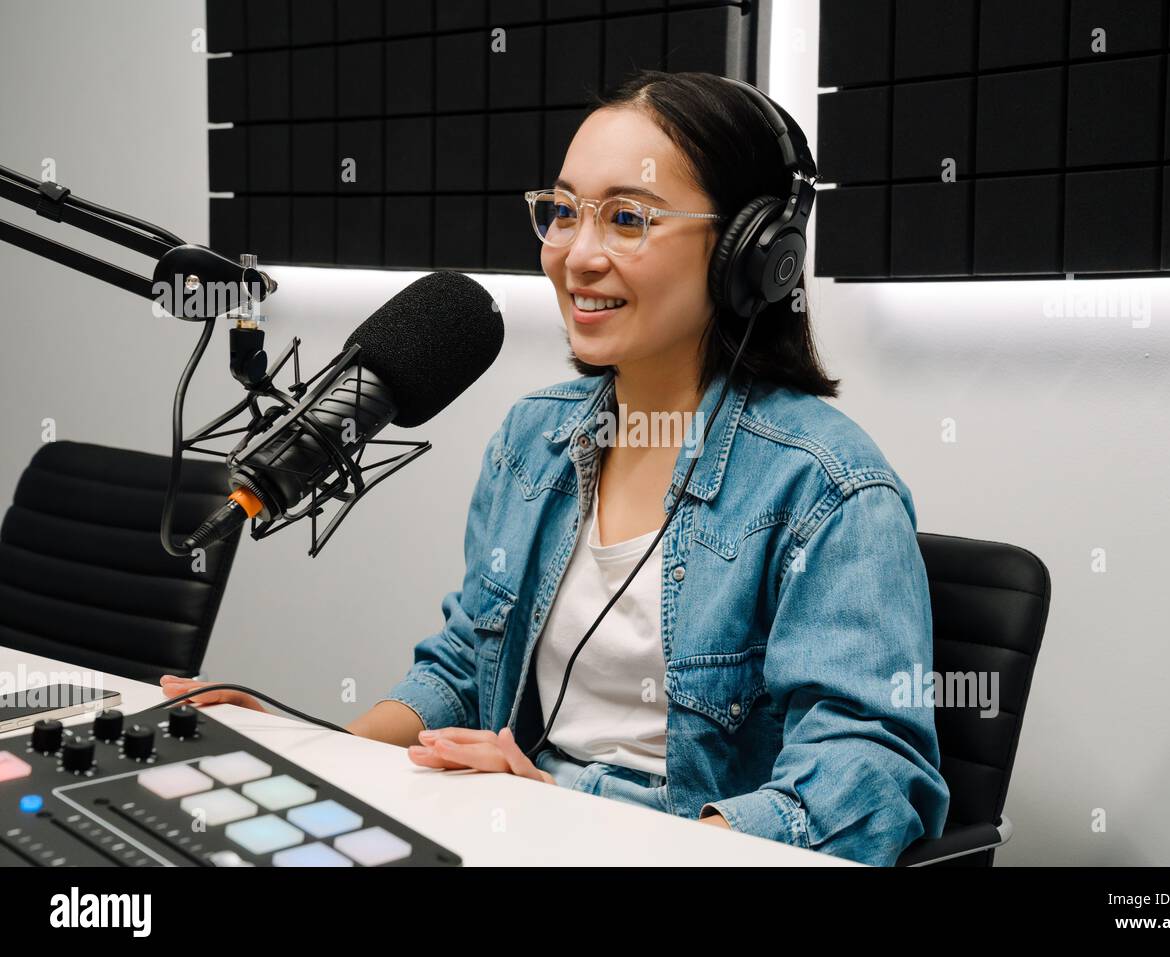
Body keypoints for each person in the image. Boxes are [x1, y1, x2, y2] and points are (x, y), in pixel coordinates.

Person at [163, 70, 950, 867]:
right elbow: (466, 666)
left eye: (627, 219)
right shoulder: (530, 439)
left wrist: (572, 813)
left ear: (751, 253)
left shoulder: (829, 488)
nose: (577, 255)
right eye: (565, 212)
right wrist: (312, 750)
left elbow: (870, 783)